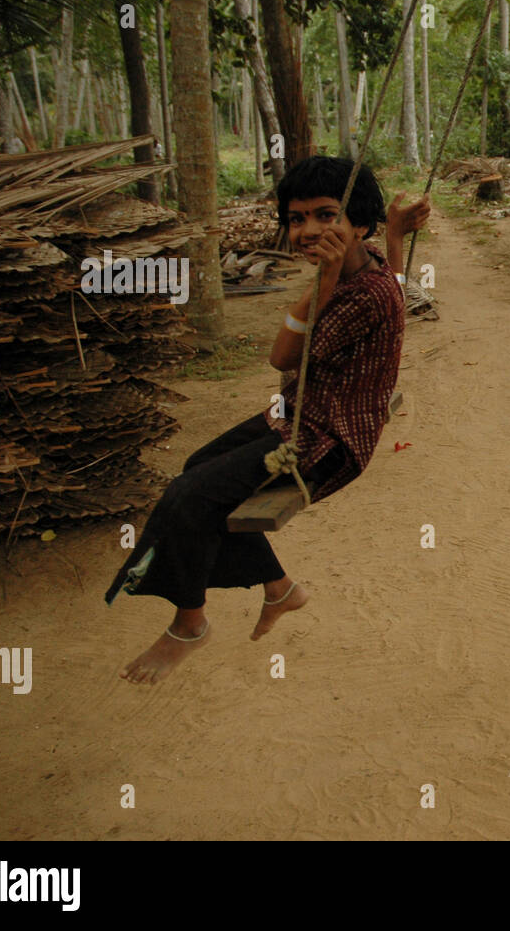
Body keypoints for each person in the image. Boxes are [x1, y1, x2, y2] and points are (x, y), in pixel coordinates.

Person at [106, 156, 431, 685]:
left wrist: (324, 278)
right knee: (196, 468)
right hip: (299, 414)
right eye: (297, 218)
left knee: (189, 496)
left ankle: (189, 625)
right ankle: (281, 589)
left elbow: (283, 357)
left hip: (328, 439)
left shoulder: (362, 295)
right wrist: (393, 233)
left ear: (358, 226)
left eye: (326, 216)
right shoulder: (366, 258)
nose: (308, 231)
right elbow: (393, 271)